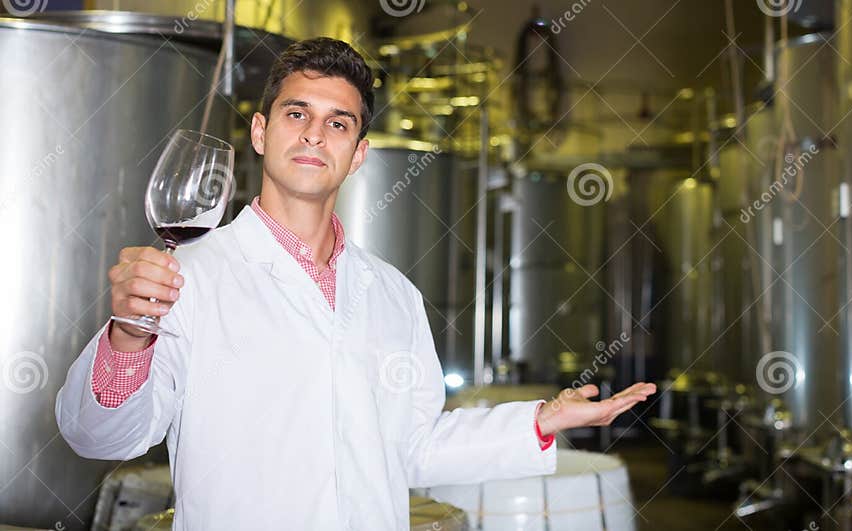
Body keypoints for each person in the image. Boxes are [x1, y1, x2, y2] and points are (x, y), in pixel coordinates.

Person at [56, 37, 656, 530]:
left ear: (359, 153)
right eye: (297, 114)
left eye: (337, 123)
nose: (315, 135)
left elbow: (416, 447)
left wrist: (545, 419)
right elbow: (100, 437)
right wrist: (129, 335)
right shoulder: (186, 276)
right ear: (261, 134)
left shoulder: (393, 293)